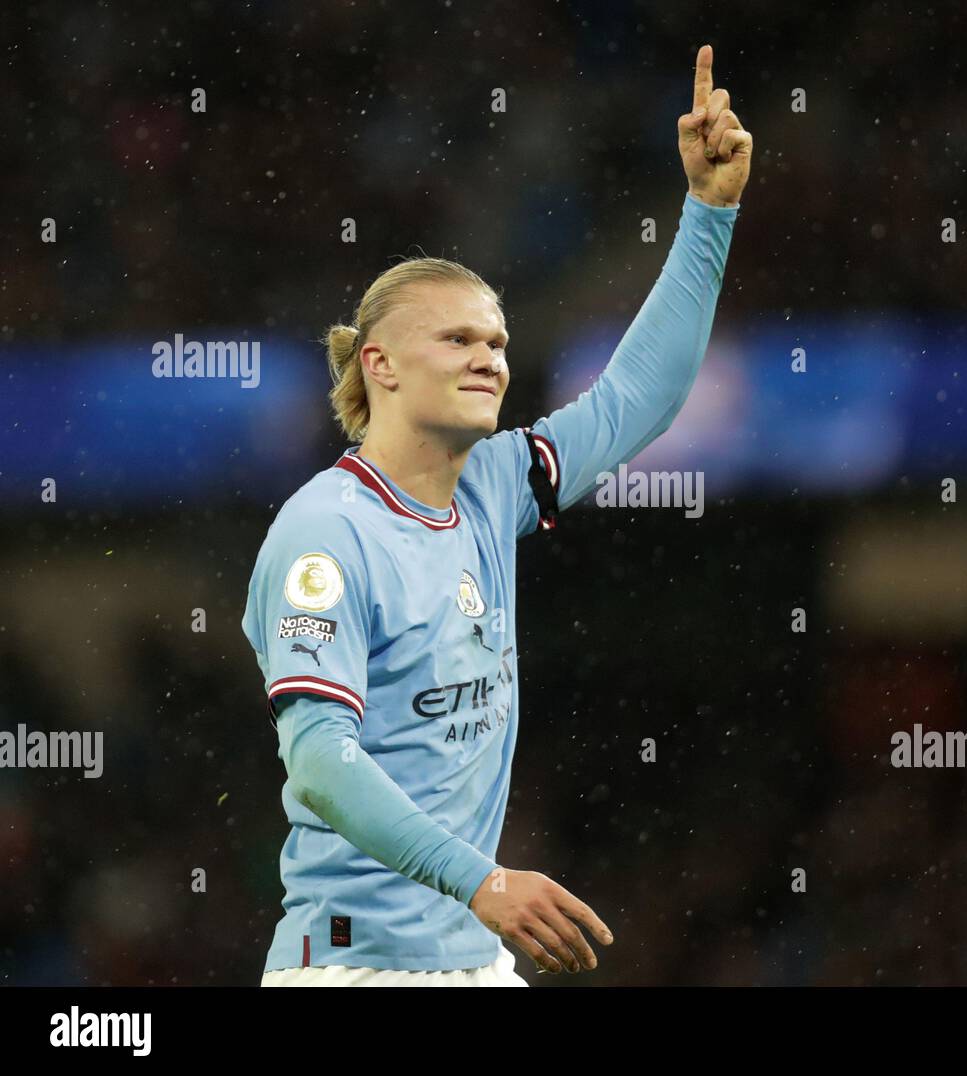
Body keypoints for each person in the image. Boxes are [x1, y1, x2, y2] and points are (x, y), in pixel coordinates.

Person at [243, 44, 751, 986]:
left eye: (499, 341)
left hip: (474, 959)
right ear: (380, 366)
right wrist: (482, 881)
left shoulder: (489, 486)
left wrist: (709, 212)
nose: (491, 358)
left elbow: (638, 397)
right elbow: (317, 761)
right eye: (458, 338)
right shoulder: (326, 535)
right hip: (357, 967)